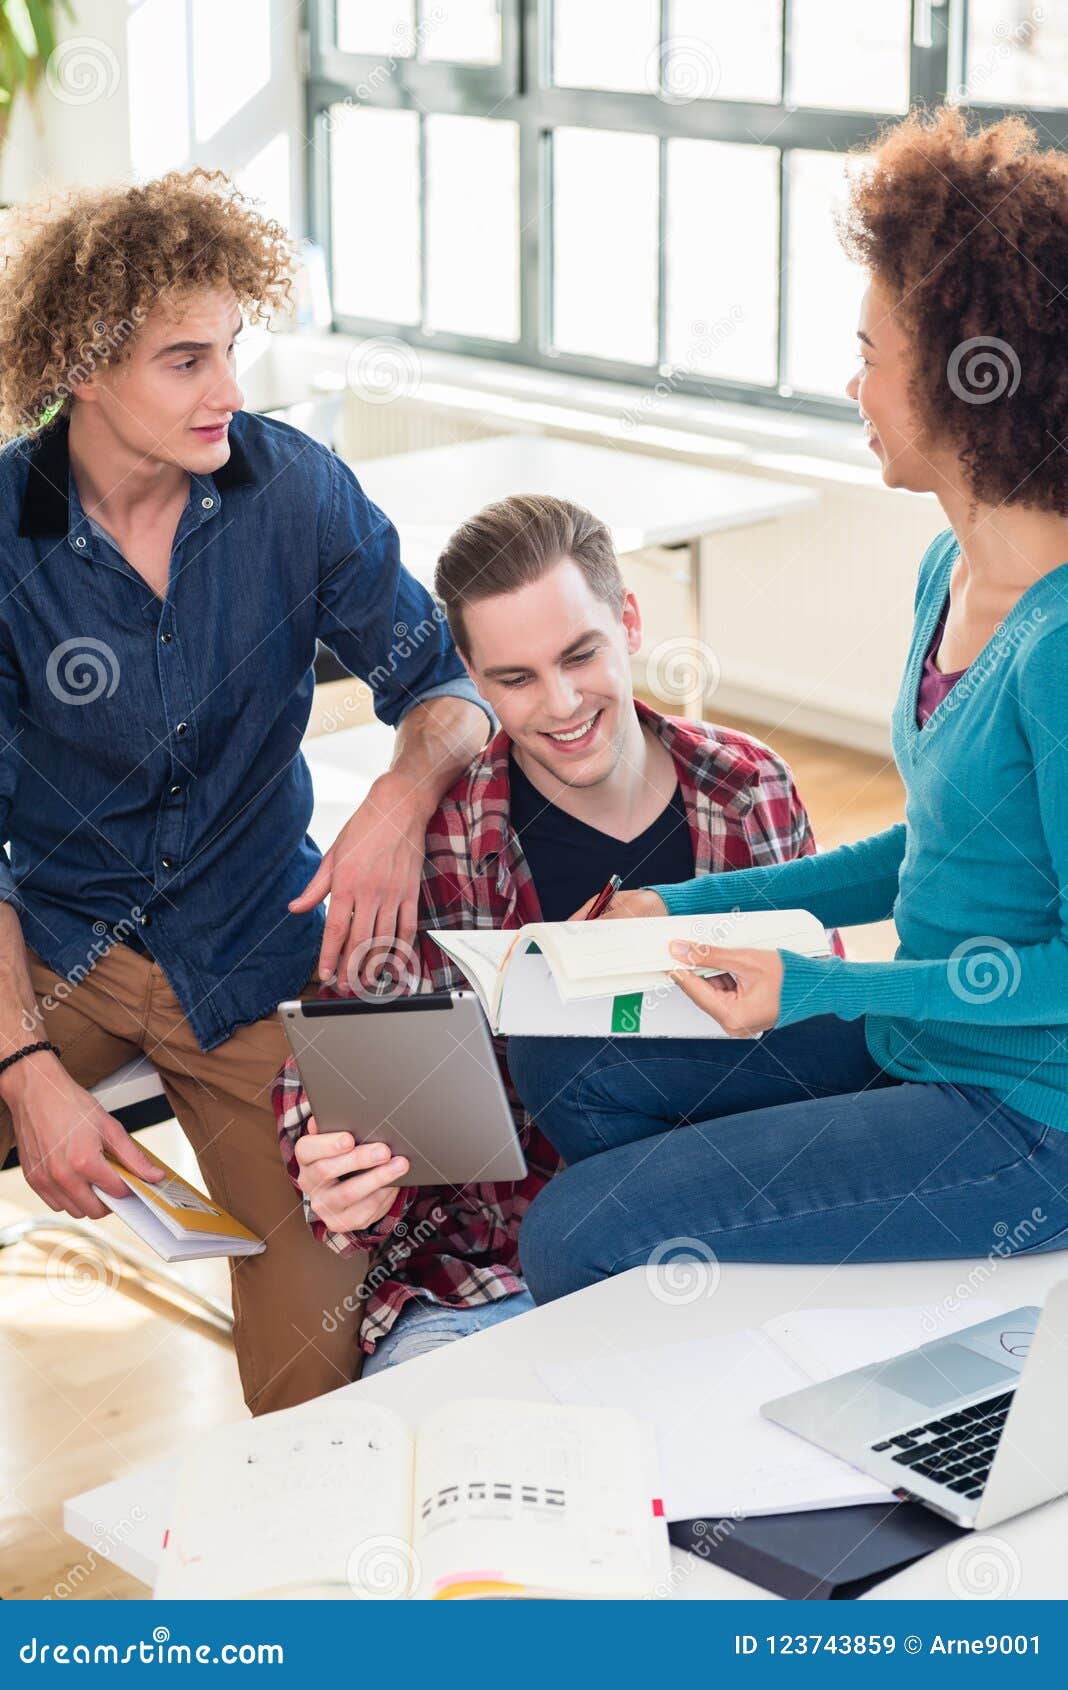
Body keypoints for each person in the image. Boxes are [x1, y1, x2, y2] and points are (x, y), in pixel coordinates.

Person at [508, 107, 1068, 1304]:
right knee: (565, 1041)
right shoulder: (948, 570)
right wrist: (684, 903)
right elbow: (937, 851)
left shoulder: (1058, 644)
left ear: (973, 375)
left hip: (1036, 1125)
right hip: (920, 1041)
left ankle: (743, 1245)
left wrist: (819, 988)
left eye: (870, 350)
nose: (850, 381)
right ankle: (776, 1256)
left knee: (572, 1239)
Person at [0, 170, 492, 1412]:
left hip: (252, 947)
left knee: (322, 1368)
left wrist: (397, 789)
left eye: (231, 349)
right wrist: (24, 1069)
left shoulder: (293, 490)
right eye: (184, 360)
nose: (228, 390)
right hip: (56, 946)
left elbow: (446, 684)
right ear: (83, 366)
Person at [274, 492, 842, 1372]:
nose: (562, 704)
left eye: (581, 655)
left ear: (630, 621)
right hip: (492, 1282)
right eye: (516, 679)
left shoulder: (749, 789)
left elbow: (820, 1045)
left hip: (727, 1241)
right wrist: (327, 1161)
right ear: (469, 670)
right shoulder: (439, 834)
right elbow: (334, 1061)